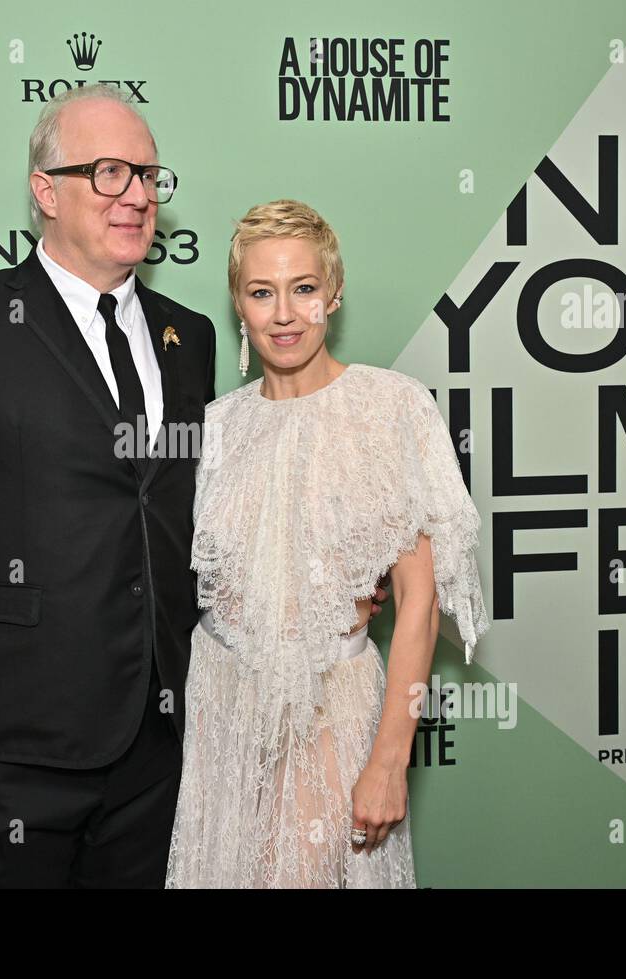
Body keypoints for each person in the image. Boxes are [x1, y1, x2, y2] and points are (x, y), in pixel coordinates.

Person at [0, 84, 225, 887]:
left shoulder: (189, 338)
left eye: (148, 175)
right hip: (8, 749)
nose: (135, 194)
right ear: (43, 190)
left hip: (159, 742)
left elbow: (195, 521)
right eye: (108, 172)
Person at [165, 199, 491, 888]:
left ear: (333, 295)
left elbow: (419, 602)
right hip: (221, 711)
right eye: (262, 292)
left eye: (303, 289)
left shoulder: (391, 407)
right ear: (239, 305)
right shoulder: (217, 427)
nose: (284, 313)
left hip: (330, 712)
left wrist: (388, 759)